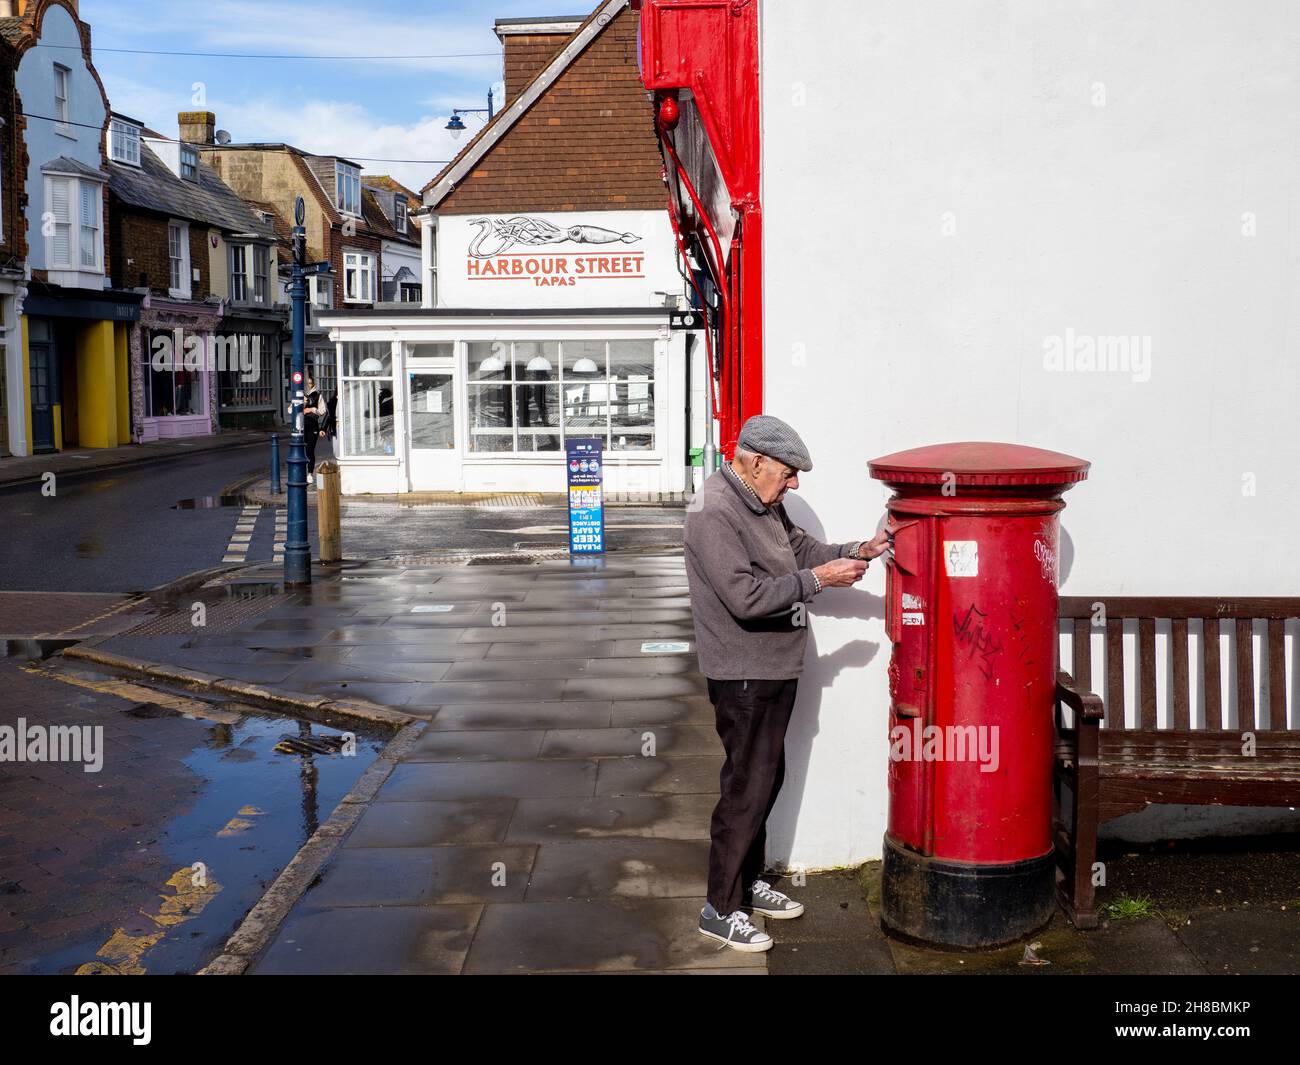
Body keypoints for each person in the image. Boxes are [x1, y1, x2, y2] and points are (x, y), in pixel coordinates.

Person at [683, 414, 890, 952]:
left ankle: (746, 882)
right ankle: (719, 908)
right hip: (743, 673)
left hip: (775, 666)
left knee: (766, 780)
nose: (795, 483)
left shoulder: (763, 501)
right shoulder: (714, 510)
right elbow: (745, 598)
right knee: (744, 789)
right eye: (789, 472)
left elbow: (801, 551)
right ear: (756, 462)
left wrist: (859, 550)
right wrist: (820, 581)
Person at [286, 375, 328, 486]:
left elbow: (322, 411)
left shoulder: (318, 395)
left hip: (313, 425)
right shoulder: (299, 395)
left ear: (313, 384)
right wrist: (302, 404)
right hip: (300, 426)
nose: (308, 386)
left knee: (310, 450)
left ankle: (310, 473)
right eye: (306, 384)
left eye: (310, 383)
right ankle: (301, 472)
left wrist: (312, 409)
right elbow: (290, 410)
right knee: (300, 450)